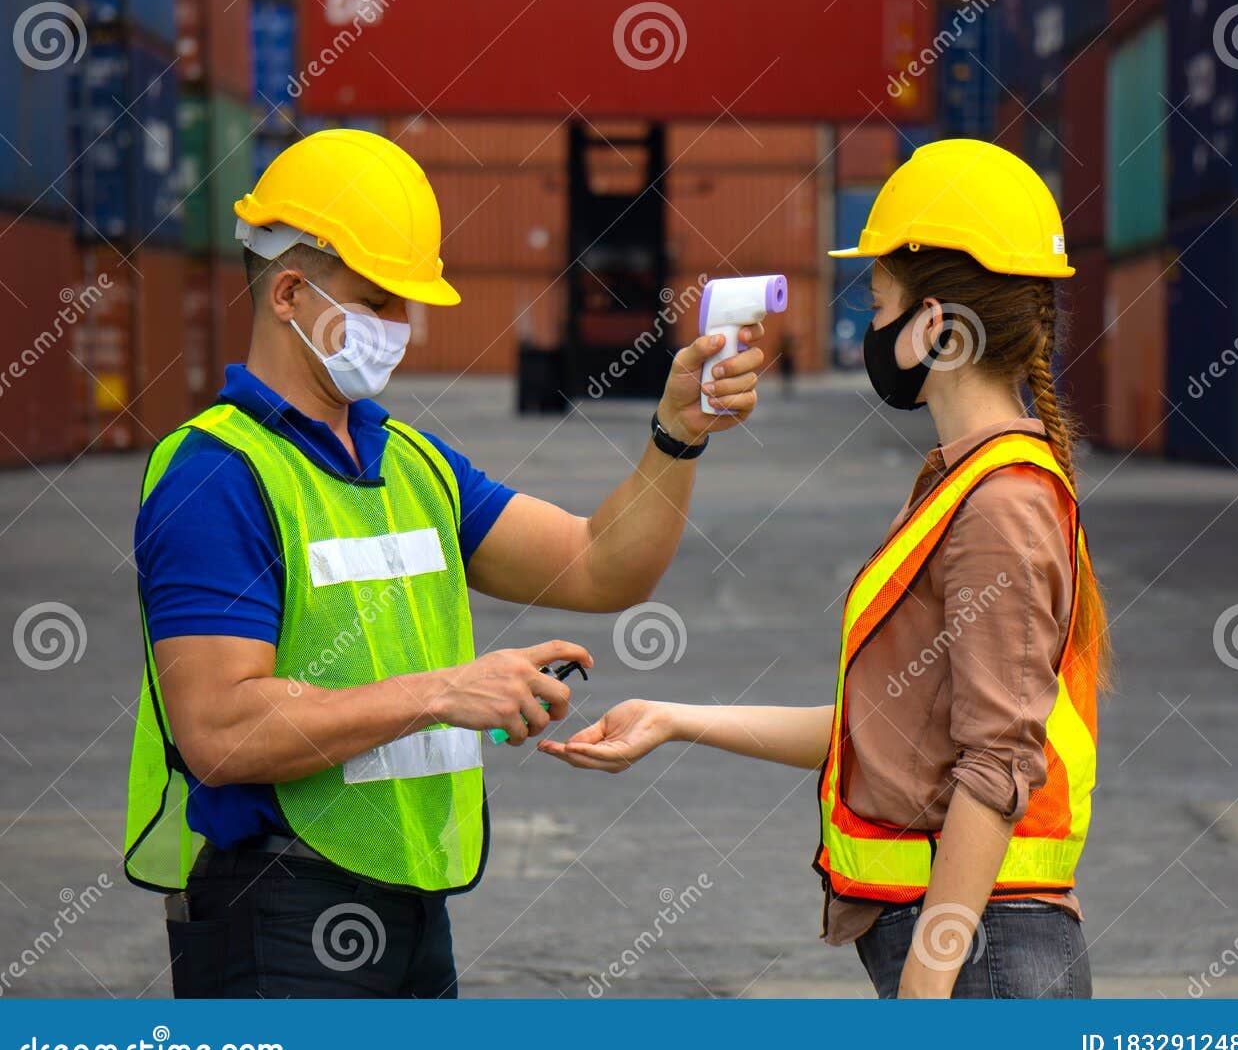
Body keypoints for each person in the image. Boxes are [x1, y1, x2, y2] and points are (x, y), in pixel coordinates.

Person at [124, 129, 767, 998]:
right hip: (276, 911)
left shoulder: (415, 463)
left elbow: (599, 567)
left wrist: (678, 431)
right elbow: (220, 730)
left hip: (415, 905)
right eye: (375, 301)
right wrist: (443, 690)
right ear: (288, 292)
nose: (397, 328)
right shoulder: (216, 476)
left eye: (402, 305)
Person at [540, 139, 1111, 999]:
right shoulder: (963, 484)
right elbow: (880, 727)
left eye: (880, 306)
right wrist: (674, 717)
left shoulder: (1000, 506)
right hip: (975, 945)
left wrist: (927, 981)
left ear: (937, 327)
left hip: (979, 952)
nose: (870, 330)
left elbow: (994, 767)